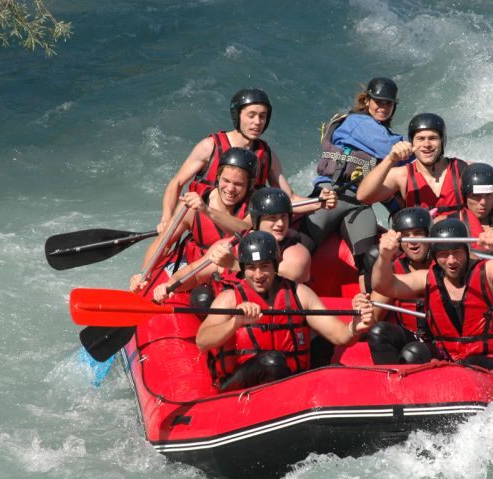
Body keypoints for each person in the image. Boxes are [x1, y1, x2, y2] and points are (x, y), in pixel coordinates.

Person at [196, 231, 375, 392]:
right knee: (272, 362)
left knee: (335, 369)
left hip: (292, 383)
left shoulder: (300, 294)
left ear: (275, 265)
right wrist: (235, 322)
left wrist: (354, 327)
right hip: (240, 386)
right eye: (251, 267)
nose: (258, 275)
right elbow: (202, 341)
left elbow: (340, 336)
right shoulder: (230, 298)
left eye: (264, 266)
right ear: (243, 269)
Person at [157, 88, 336, 233]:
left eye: (262, 116)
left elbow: (288, 199)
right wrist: (166, 219)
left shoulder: (267, 156)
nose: (257, 122)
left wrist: (319, 202)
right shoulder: (210, 146)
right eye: (251, 115)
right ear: (237, 116)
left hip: (240, 228)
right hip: (203, 224)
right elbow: (176, 183)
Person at [372, 218, 493, 373]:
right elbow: (383, 285)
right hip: (452, 359)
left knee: (467, 365)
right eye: (444, 254)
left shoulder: (488, 273)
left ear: (467, 250)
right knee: (405, 348)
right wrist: (384, 256)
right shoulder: (426, 278)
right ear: (434, 255)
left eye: (457, 252)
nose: (451, 260)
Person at [299, 77, 404, 288]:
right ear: (367, 101)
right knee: (300, 246)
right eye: (378, 101)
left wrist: (398, 209)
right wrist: (408, 151)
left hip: (358, 205)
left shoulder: (391, 139)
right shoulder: (355, 123)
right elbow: (382, 144)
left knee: (369, 258)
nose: (383, 107)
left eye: (388, 103)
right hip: (329, 196)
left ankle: (367, 309)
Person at [151, 187, 313, 303]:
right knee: (203, 299)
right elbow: (195, 272)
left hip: (272, 322)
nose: (280, 224)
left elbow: (275, 282)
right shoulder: (230, 244)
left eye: (284, 217)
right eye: (272, 218)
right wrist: (170, 286)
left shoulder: (297, 254)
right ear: (255, 220)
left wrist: (233, 265)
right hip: (236, 323)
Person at [130, 147, 257, 294]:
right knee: (148, 289)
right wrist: (145, 273)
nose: (230, 189)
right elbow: (164, 243)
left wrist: (206, 210)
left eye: (238, 184)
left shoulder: (255, 205)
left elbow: (245, 228)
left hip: (229, 270)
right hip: (192, 268)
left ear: (251, 184)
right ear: (217, 177)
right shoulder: (192, 204)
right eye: (226, 181)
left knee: (202, 299)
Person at [356, 113, 493, 219]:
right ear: (412, 143)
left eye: (433, 138)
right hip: (423, 249)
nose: (426, 144)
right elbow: (364, 196)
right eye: (420, 139)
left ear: (442, 141)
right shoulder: (401, 175)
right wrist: (390, 160)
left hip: (460, 249)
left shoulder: (464, 170)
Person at [367, 207, 432, 364]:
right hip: (412, 338)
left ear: (429, 235)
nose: (413, 241)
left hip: (440, 341)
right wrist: (363, 309)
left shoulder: (446, 264)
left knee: (412, 353)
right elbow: (372, 318)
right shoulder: (393, 271)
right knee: (378, 333)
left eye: (418, 233)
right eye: (405, 236)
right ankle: (389, 384)